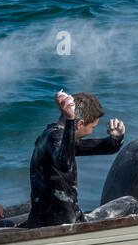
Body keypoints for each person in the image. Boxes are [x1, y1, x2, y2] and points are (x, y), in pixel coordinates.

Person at [25, 90, 131, 228]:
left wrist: (116, 139)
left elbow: (97, 147)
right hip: (67, 223)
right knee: (130, 202)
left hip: (40, 220)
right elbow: (64, 163)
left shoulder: (50, 136)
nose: (91, 131)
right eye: (92, 127)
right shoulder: (57, 139)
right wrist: (70, 120)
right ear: (80, 124)